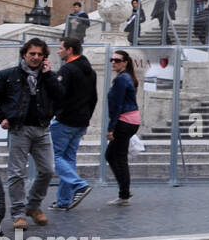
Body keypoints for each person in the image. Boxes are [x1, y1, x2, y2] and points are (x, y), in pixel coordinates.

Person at [0, 38, 64, 230]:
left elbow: (60, 96)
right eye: (32, 53)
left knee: (48, 170)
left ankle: (33, 206)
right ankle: (18, 213)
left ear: (44, 57)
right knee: (17, 173)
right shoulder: (7, 75)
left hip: (42, 129)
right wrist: (2, 117)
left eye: (39, 54)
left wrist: (49, 75)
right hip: (19, 129)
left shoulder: (48, 77)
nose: (35, 57)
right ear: (24, 54)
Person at [50, 37, 97, 211]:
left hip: (65, 121)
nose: (58, 51)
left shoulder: (67, 70)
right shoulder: (90, 71)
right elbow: (94, 98)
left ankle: (79, 185)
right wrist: (86, 120)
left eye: (60, 48)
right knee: (68, 159)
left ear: (70, 50)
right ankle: (64, 200)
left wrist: (53, 114)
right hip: (80, 122)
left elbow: (58, 94)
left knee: (54, 157)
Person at [104, 50, 141, 206]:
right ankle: (124, 192)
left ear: (125, 62)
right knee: (116, 156)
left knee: (115, 157)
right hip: (131, 120)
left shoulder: (121, 79)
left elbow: (118, 105)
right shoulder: (128, 78)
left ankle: (124, 194)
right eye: (112, 60)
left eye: (117, 60)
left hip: (124, 121)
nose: (113, 62)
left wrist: (111, 128)